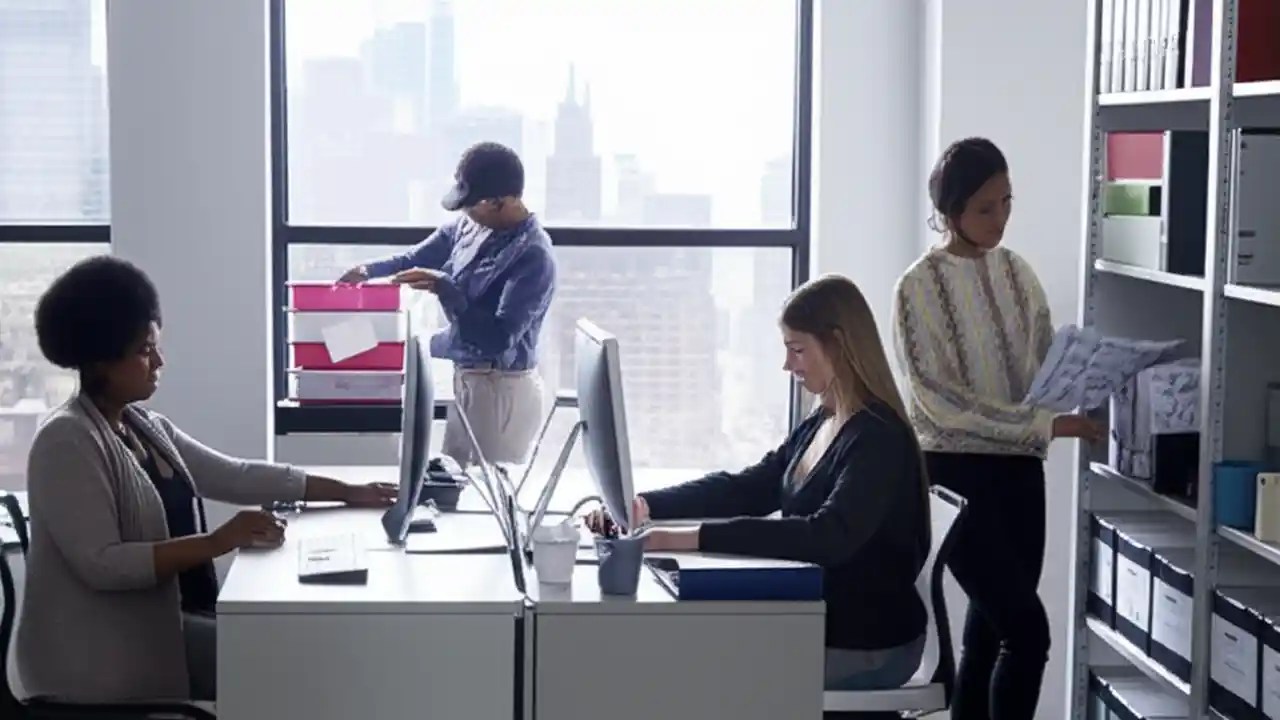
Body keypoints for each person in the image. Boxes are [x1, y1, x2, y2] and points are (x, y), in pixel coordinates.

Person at [17, 255, 398, 704]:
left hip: (161, 624)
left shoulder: (142, 426)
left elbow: (234, 475)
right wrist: (220, 540)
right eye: (144, 350)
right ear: (100, 360)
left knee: (297, 652)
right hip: (99, 655)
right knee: (296, 666)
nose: (159, 360)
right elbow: (104, 564)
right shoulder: (66, 440)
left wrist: (347, 491)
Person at [586, 274, 930, 699]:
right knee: (691, 659)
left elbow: (826, 537)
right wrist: (644, 506)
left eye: (797, 349)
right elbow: (747, 488)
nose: (788, 366)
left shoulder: (878, 438)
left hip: (868, 641)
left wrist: (686, 538)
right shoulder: (822, 420)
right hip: (817, 624)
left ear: (839, 344)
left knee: (702, 678)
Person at [892, 137, 1104, 720]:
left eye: (1007, 202)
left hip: (1019, 475)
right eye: (986, 207)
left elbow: (1044, 364)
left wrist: (1092, 373)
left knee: (987, 635)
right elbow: (937, 402)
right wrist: (1045, 422)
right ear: (950, 210)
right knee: (1028, 632)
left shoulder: (1018, 273)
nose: (1000, 218)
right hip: (954, 476)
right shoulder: (918, 287)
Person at [338, 141, 556, 467]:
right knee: (454, 484)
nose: (465, 212)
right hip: (468, 383)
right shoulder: (470, 227)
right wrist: (368, 272)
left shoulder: (532, 256)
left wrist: (446, 289)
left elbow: (497, 338)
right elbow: (415, 258)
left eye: (473, 205)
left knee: (489, 496)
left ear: (502, 202)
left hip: (502, 390)